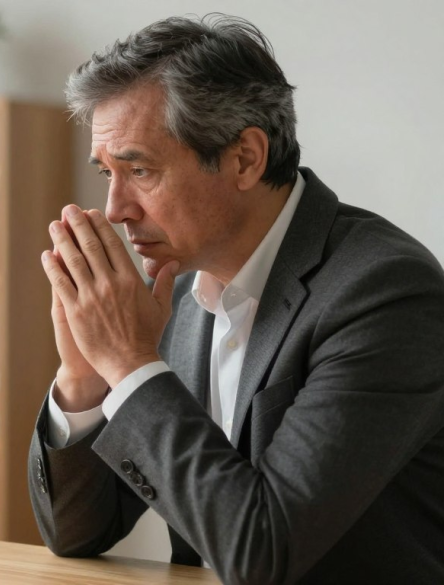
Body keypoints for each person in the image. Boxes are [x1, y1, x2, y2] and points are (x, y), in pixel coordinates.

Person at [28, 14, 444, 585]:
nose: (116, 208)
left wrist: (129, 362)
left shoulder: (386, 292)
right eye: (106, 172)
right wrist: (85, 379)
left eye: (140, 170)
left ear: (245, 158)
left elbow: (263, 553)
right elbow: (76, 534)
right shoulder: (172, 289)